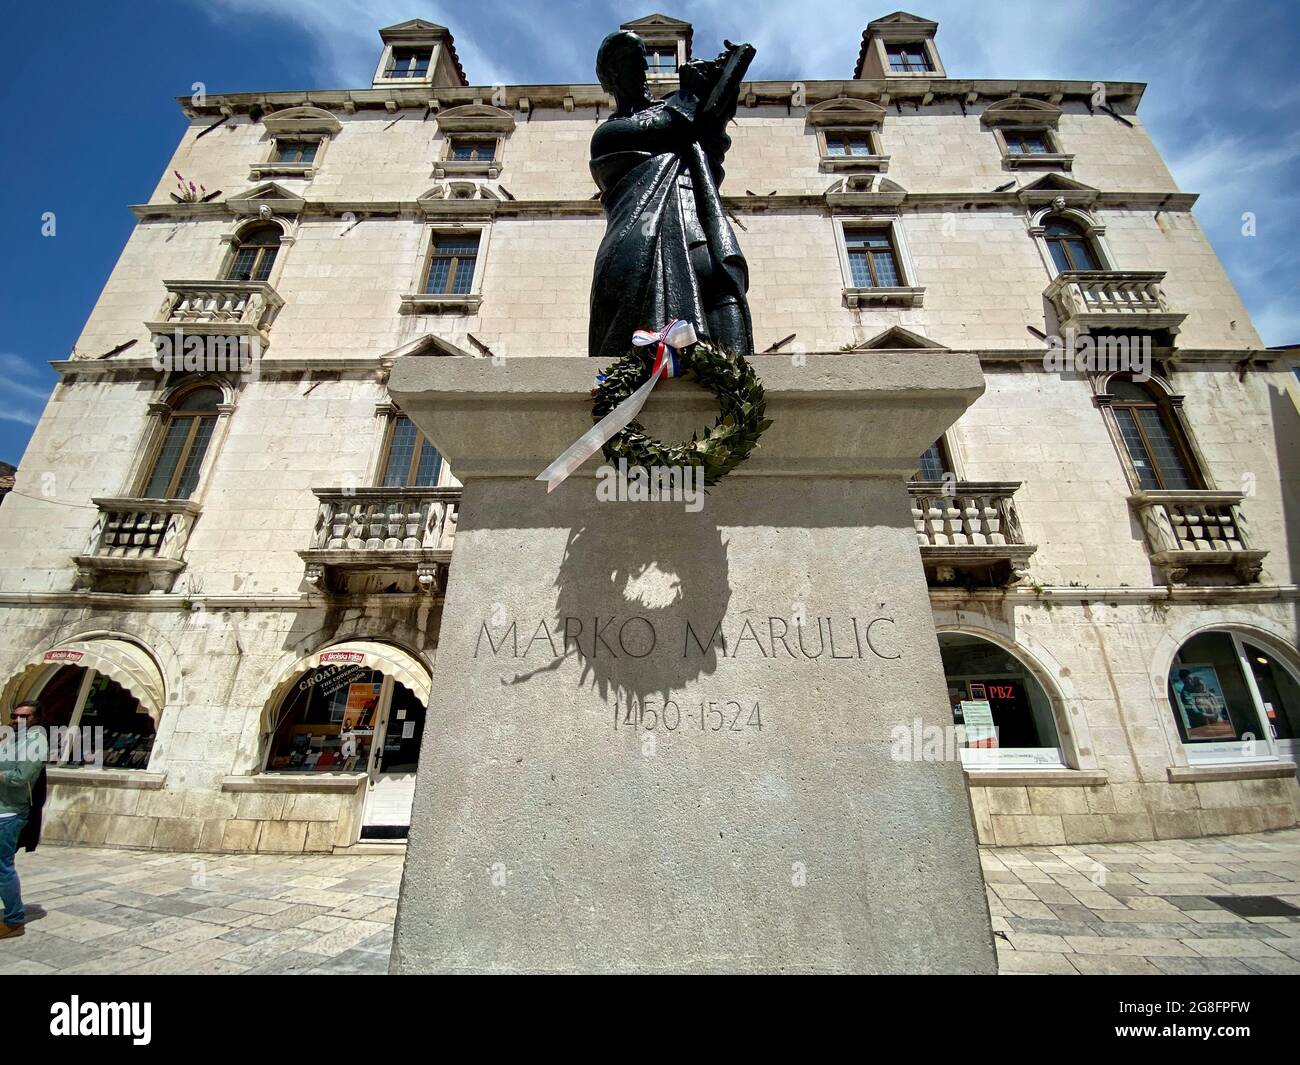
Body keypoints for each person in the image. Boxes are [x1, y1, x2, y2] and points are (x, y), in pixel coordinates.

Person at [588, 30, 756, 361]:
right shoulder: (609, 134)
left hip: (695, 214)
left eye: (637, 62)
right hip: (639, 235)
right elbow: (668, 127)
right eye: (621, 65)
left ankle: (737, 382)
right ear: (608, 81)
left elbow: (707, 136)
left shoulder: (678, 113)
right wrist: (691, 94)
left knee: (720, 284)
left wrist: (723, 82)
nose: (634, 71)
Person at [0, 700, 49, 939]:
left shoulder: (36, 742)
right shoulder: (11, 738)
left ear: (35, 719)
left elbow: (22, 777)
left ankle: (14, 921)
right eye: (14, 715)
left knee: (2, 867)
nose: (16, 720)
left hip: (10, 813)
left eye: (24, 717)